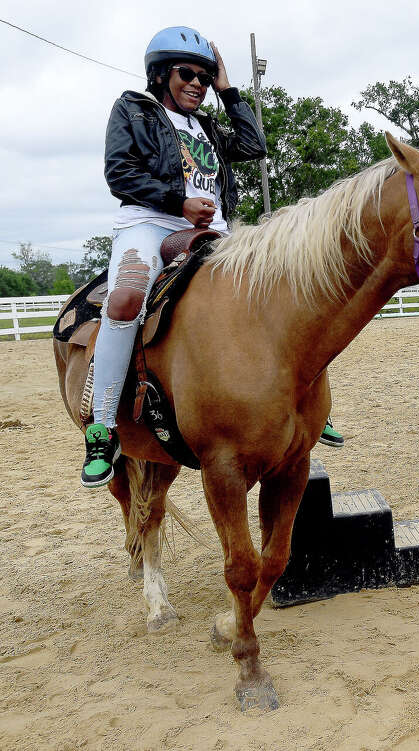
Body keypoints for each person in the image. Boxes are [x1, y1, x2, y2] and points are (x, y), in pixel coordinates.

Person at [82, 27, 280, 486]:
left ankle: (300, 402)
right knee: (126, 298)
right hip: (150, 223)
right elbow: (119, 173)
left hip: (215, 231)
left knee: (281, 290)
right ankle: (103, 425)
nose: (197, 84)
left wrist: (229, 89)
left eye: (205, 79)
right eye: (186, 73)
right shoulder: (133, 109)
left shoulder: (209, 125)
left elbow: (254, 145)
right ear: (160, 75)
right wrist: (178, 203)